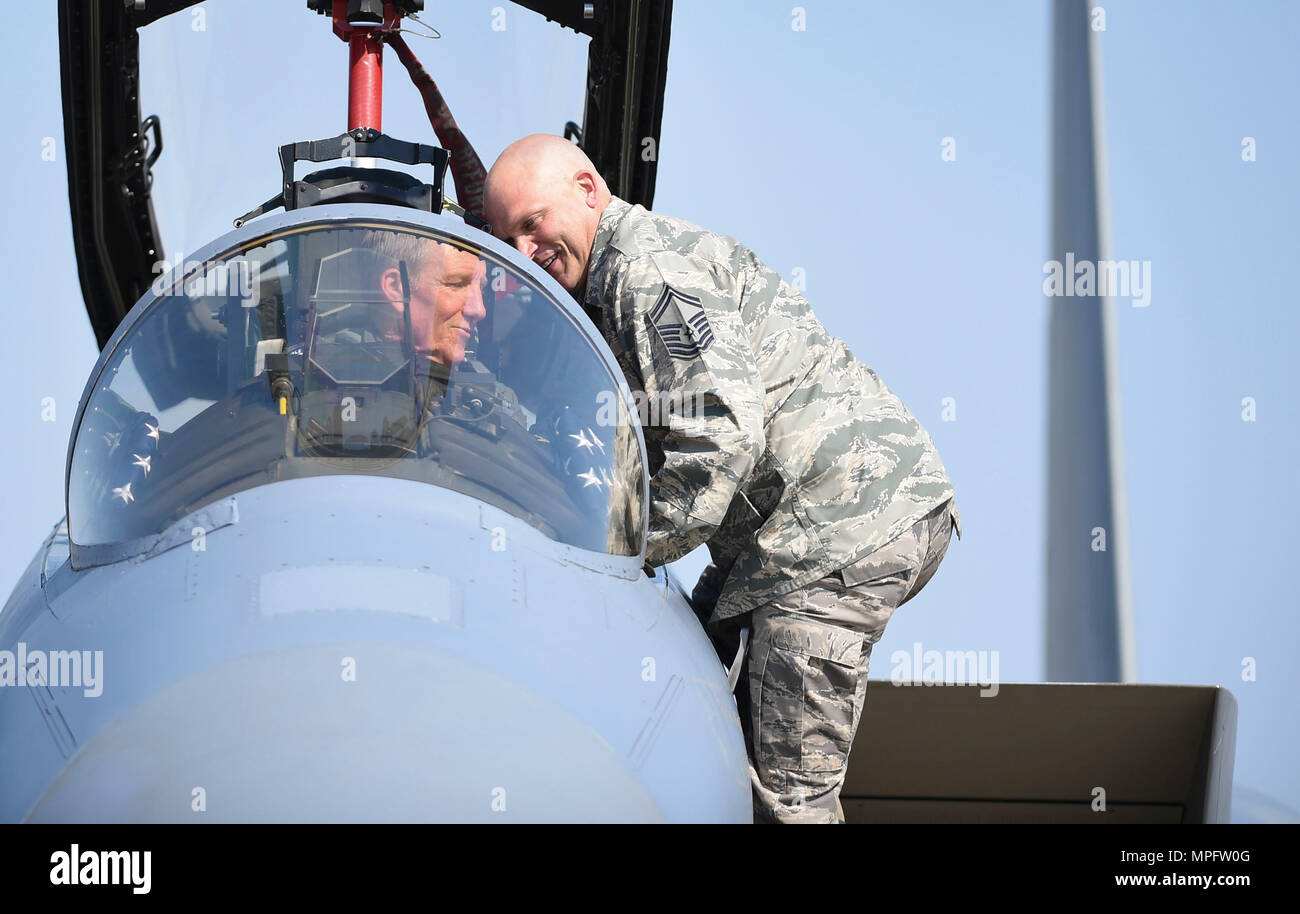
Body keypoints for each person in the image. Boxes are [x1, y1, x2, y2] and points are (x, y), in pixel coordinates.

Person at [483, 134, 963, 824]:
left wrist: (622, 551)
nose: (525, 251)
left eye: (533, 224)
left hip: (839, 529)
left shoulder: (645, 272)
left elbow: (720, 430)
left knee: (788, 802)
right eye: (507, 238)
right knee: (677, 691)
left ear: (588, 189)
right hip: (787, 541)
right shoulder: (604, 290)